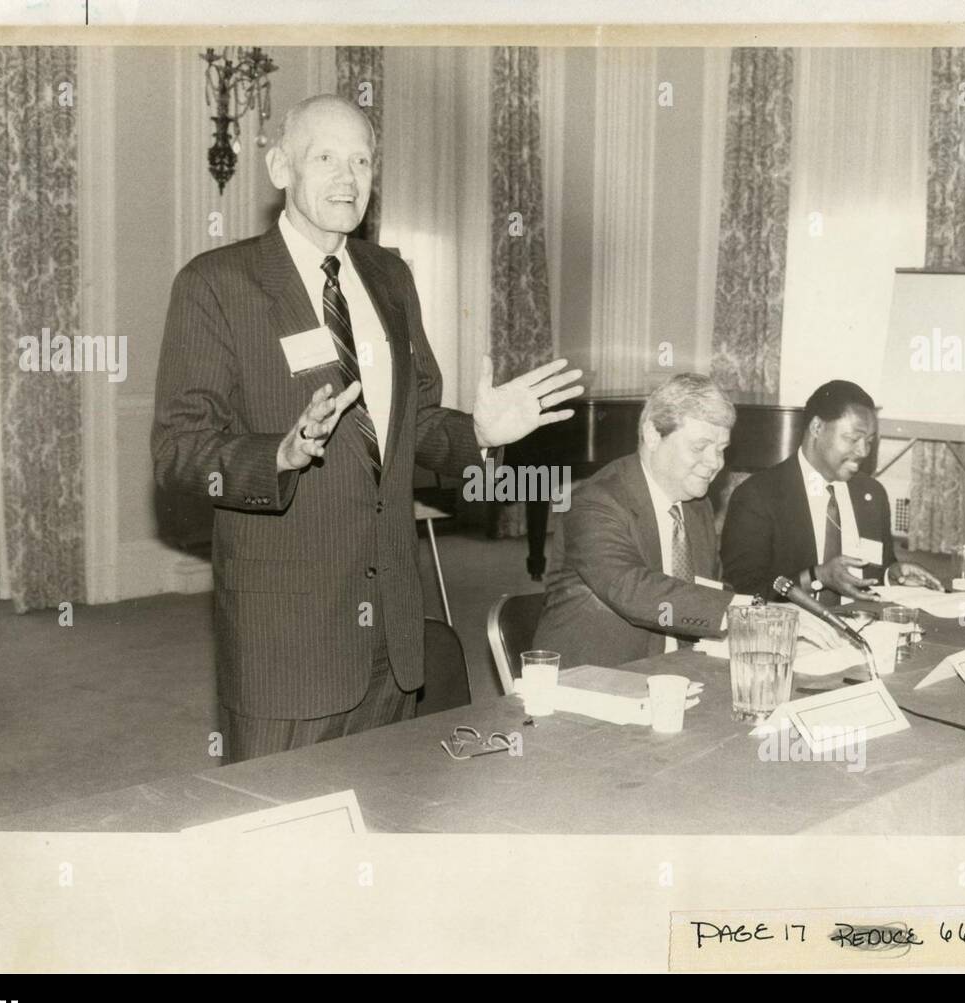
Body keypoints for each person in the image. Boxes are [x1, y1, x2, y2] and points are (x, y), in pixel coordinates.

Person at [152, 95, 582, 763]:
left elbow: (419, 426)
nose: (347, 178)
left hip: (392, 635)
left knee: (385, 827)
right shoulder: (217, 285)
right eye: (325, 157)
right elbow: (180, 452)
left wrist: (484, 434)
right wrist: (281, 454)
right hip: (287, 647)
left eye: (361, 160)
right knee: (277, 836)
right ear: (279, 166)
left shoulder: (390, 277)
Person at [532, 375, 740, 669]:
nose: (714, 462)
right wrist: (744, 611)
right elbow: (632, 589)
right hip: (594, 678)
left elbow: (705, 588)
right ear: (653, 434)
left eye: (721, 449)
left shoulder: (696, 506)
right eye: (699, 447)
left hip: (675, 672)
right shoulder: (595, 500)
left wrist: (759, 617)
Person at [720, 379, 942, 603]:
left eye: (870, 441)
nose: (863, 451)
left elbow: (876, 569)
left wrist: (892, 576)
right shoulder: (758, 496)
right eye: (853, 438)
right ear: (817, 427)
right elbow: (742, 591)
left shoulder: (873, 494)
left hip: (868, 628)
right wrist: (816, 577)